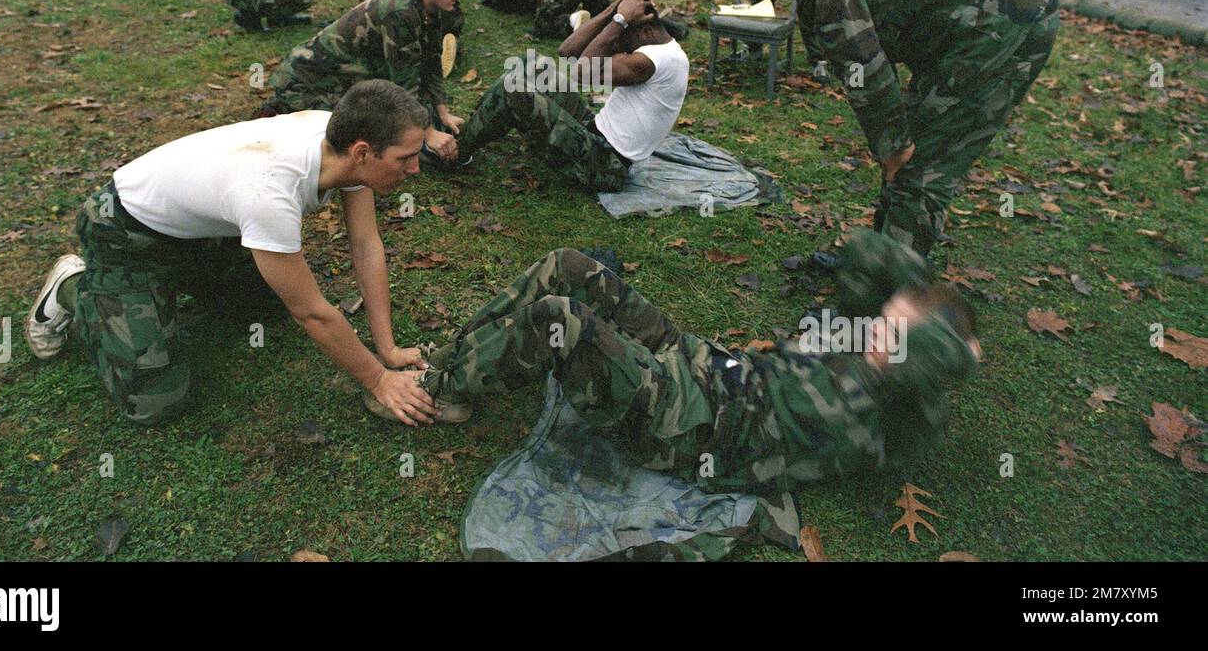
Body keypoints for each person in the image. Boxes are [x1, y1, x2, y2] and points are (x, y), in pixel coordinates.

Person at [367, 231, 982, 495]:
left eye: (896, 337)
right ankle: (452, 359)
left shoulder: (895, 409)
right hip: (706, 369)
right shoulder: (880, 345)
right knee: (569, 267)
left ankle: (436, 391)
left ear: (927, 363)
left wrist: (954, 345)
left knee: (558, 320)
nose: (876, 334)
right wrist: (917, 292)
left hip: (691, 428)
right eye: (884, 322)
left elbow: (936, 361)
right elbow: (867, 254)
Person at [25, 81, 442, 426]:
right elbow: (312, 313)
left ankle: (158, 293)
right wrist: (379, 381)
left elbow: (366, 246)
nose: (414, 170)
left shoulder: (340, 139)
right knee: (155, 401)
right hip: (123, 233)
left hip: (202, 232)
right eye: (405, 158)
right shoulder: (269, 194)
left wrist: (386, 349)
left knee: (259, 306)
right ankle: (75, 287)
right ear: (363, 152)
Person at [703, 0, 1060, 258]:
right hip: (968, 24)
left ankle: (891, 292)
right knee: (911, 150)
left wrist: (892, 145)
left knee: (922, 164)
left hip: (1007, 20)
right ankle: (880, 257)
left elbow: (862, 62)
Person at [443, 0, 688, 193]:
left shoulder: (652, 62)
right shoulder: (653, 47)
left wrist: (620, 21)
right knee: (531, 63)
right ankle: (470, 130)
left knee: (515, 90)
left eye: (624, 40)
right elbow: (567, 52)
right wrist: (613, 11)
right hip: (594, 132)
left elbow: (582, 72)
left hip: (604, 165)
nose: (618, 45)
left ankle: (458, 151)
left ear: (646, 31)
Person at [259, 0, 466, 169]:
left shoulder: (431, 7)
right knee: (354, 138)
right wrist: (427, 133)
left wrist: (441, 112)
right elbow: (404, 82)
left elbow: (432, 61)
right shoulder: (400, 13)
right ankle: (282, 109)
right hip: (308, 80)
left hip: (348, 73)